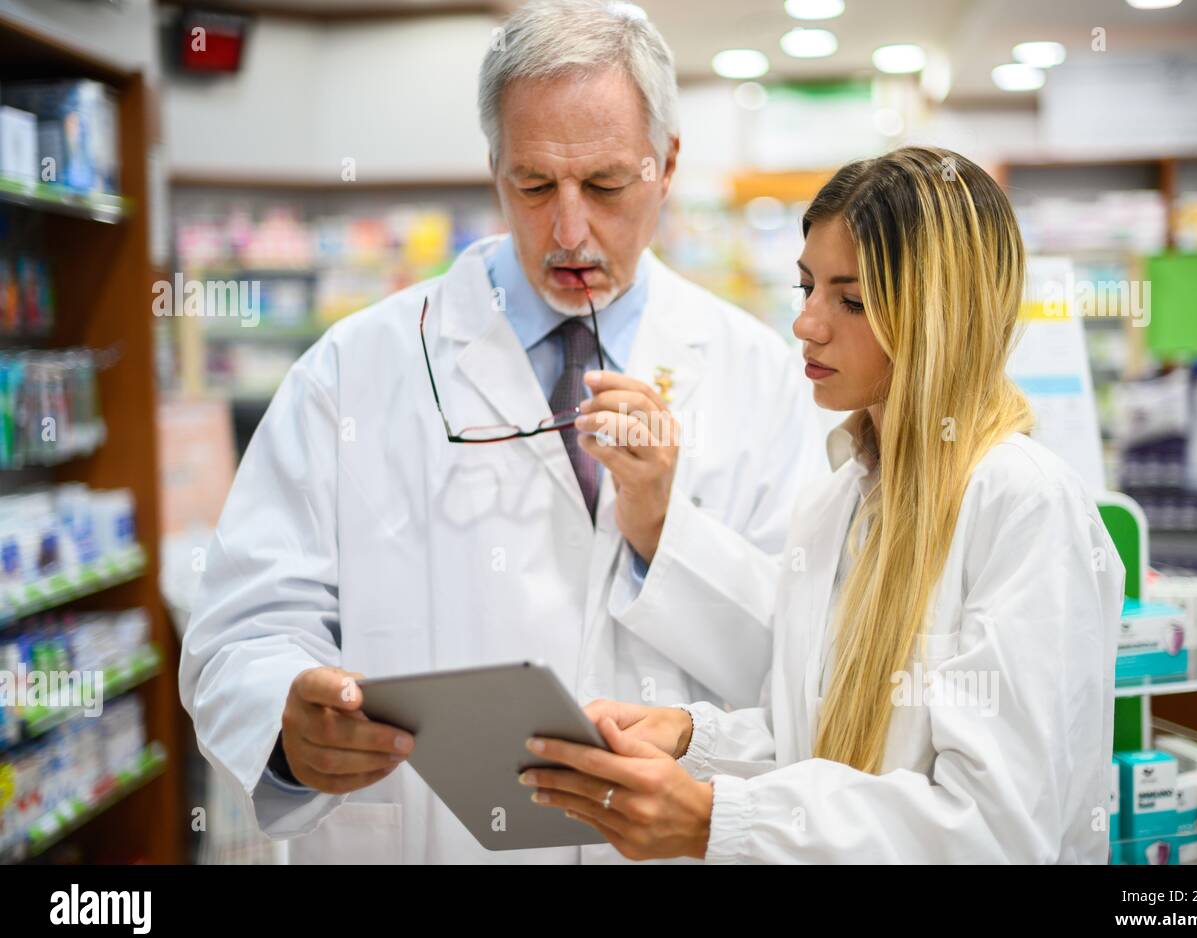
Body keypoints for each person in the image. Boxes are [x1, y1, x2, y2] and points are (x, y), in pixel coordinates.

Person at [178, 0, 824, 865]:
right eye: (532, 185)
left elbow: (809, 660)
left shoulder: (762, 376)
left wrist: (668, 532)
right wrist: (288, 724)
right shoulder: (354, 371)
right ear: (494, 169)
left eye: (603, 186)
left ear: (666, 164)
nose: (568, 231)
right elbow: (243, 629)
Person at [523, 146, 1125, 864]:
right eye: (807, 286)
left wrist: (715, 820)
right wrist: (689, 736)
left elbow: (993, 830)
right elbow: (814, 740)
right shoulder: (838, 500)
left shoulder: (1025, 508)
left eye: (852, 299)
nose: (806, 324)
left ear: (940, 313)